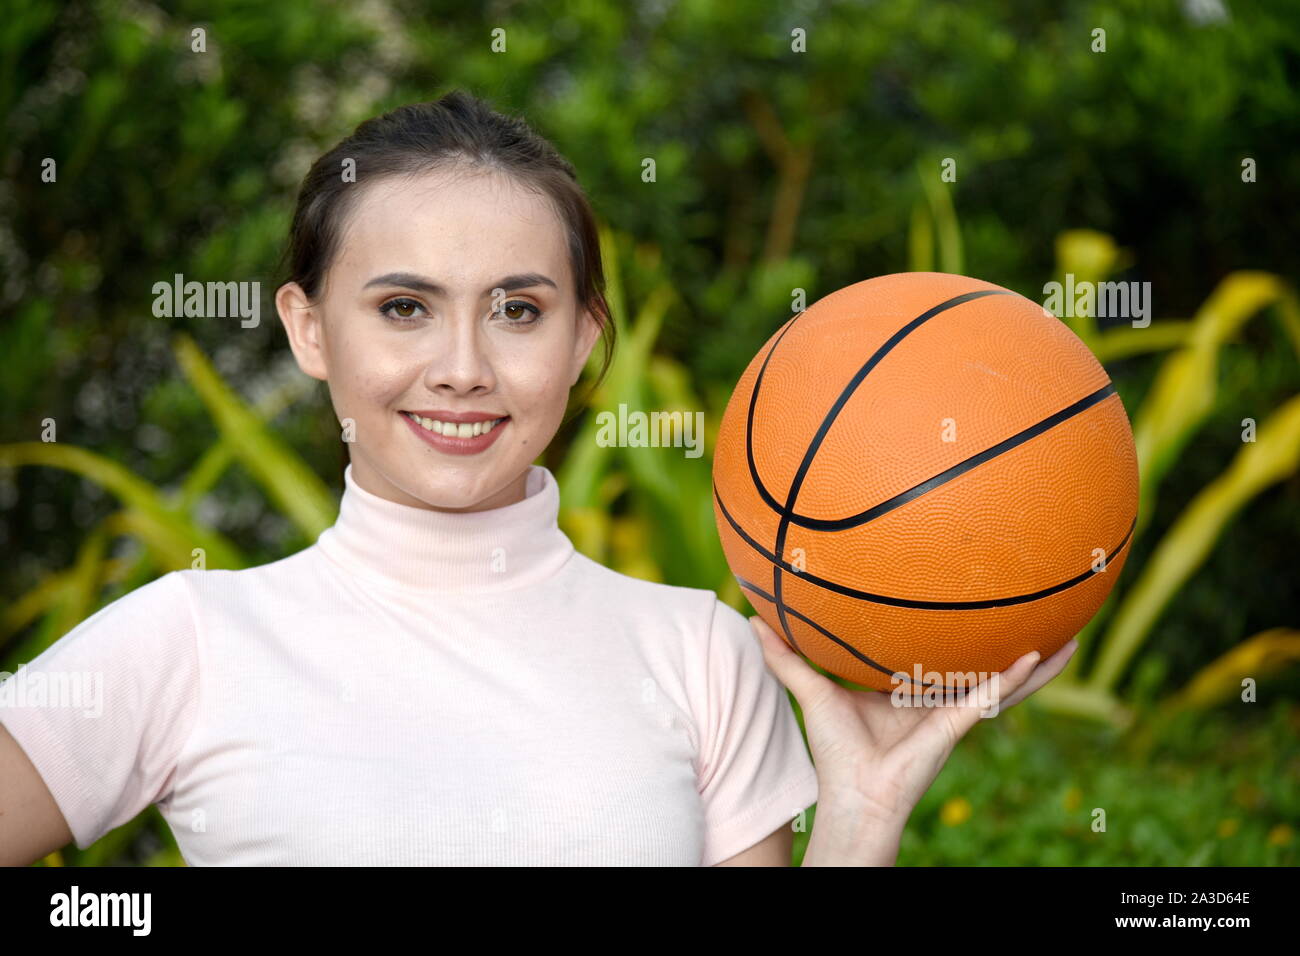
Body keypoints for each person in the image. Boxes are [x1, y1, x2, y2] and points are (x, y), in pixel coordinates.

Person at [0, 89, 1073, 866]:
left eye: (518, 310)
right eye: (403, 307)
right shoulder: (188, 637)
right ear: (308, 328)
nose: (463, 368)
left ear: (582, 340)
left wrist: (862, 810)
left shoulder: (701, 649)